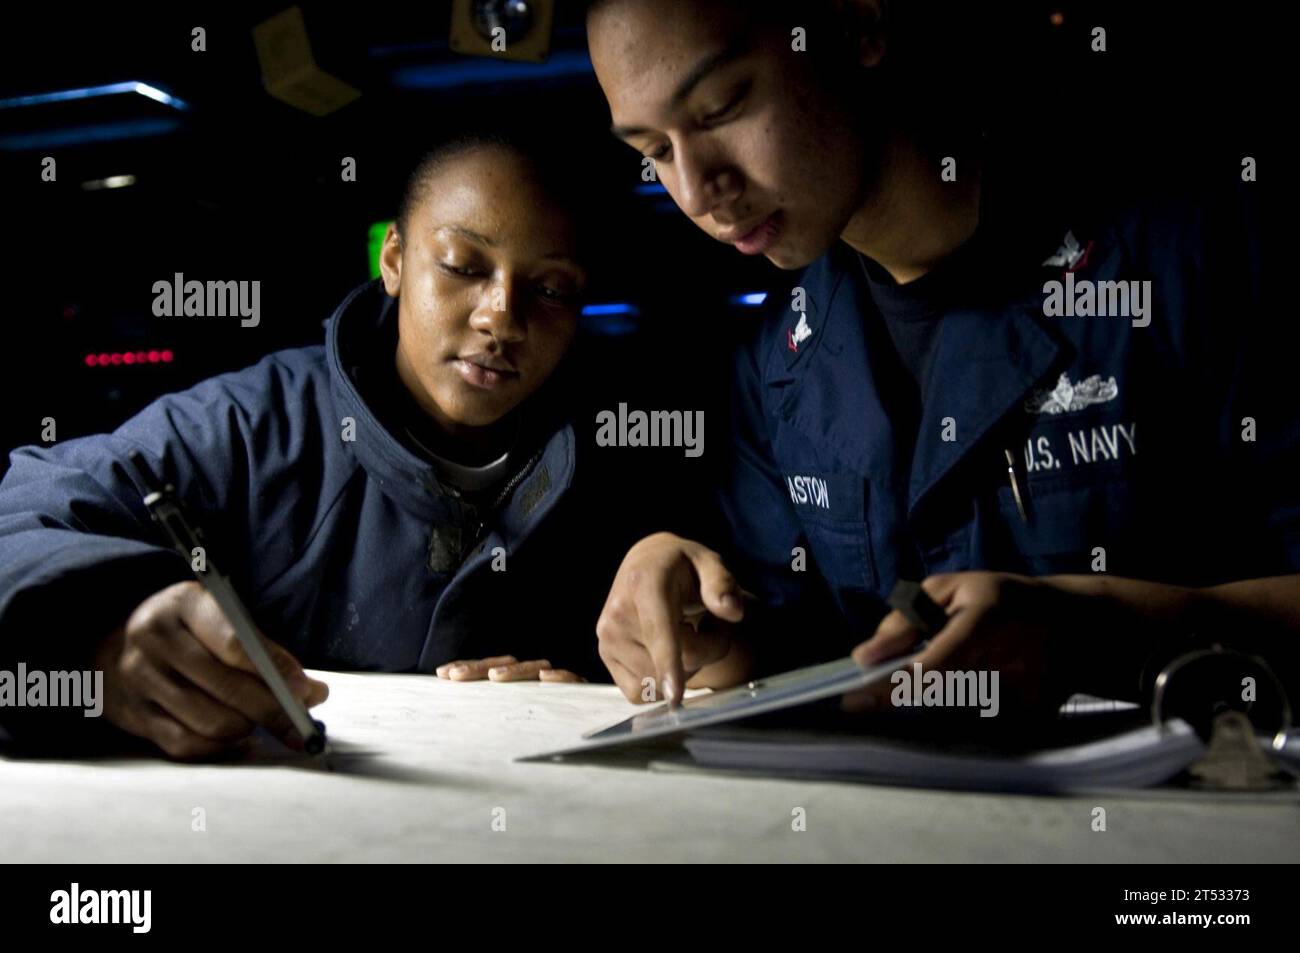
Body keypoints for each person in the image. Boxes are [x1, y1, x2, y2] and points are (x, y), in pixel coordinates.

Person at [584, 0, 1298, 718]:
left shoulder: (1202, 259)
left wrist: (1098, 626)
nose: (697, 189)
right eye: (655, 151)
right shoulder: (780, 361)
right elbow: (794, 639)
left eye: (719, 107)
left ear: (861, 28)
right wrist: (695, 621)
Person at [0, 132, 614, 758]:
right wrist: (101, 633)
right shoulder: (249, 425)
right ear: (395, 261)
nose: (501, 319)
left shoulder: (615, 464)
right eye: (463, 266)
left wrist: (587, 690)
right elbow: (20, 515)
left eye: (551, 290)